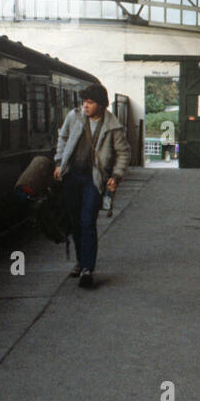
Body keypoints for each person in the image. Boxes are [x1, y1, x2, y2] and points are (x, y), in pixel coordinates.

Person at [54, 84, 130, 289]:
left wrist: (116, 175)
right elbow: (63, 137)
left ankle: (88, 268)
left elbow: (123, 152)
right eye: (84, 102)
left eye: (90, 102)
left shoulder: (113, 125)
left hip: (94, 179)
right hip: (72, 175)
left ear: (101, 104)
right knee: (74, 221)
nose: (85, 106)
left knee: (87, 220)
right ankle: (80, 261)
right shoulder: (74, 116)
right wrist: (59, 162)